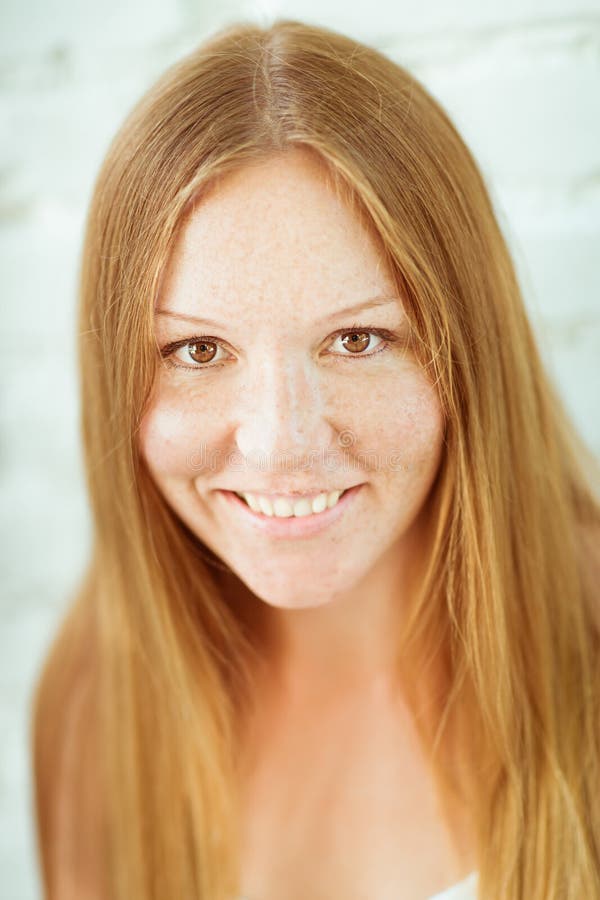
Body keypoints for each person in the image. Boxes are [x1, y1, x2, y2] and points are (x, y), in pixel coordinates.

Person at [30, 17, 600, 900]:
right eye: (197, 352)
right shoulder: (98, 695)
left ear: (466, 356)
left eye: (359, 337)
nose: (281, 443)